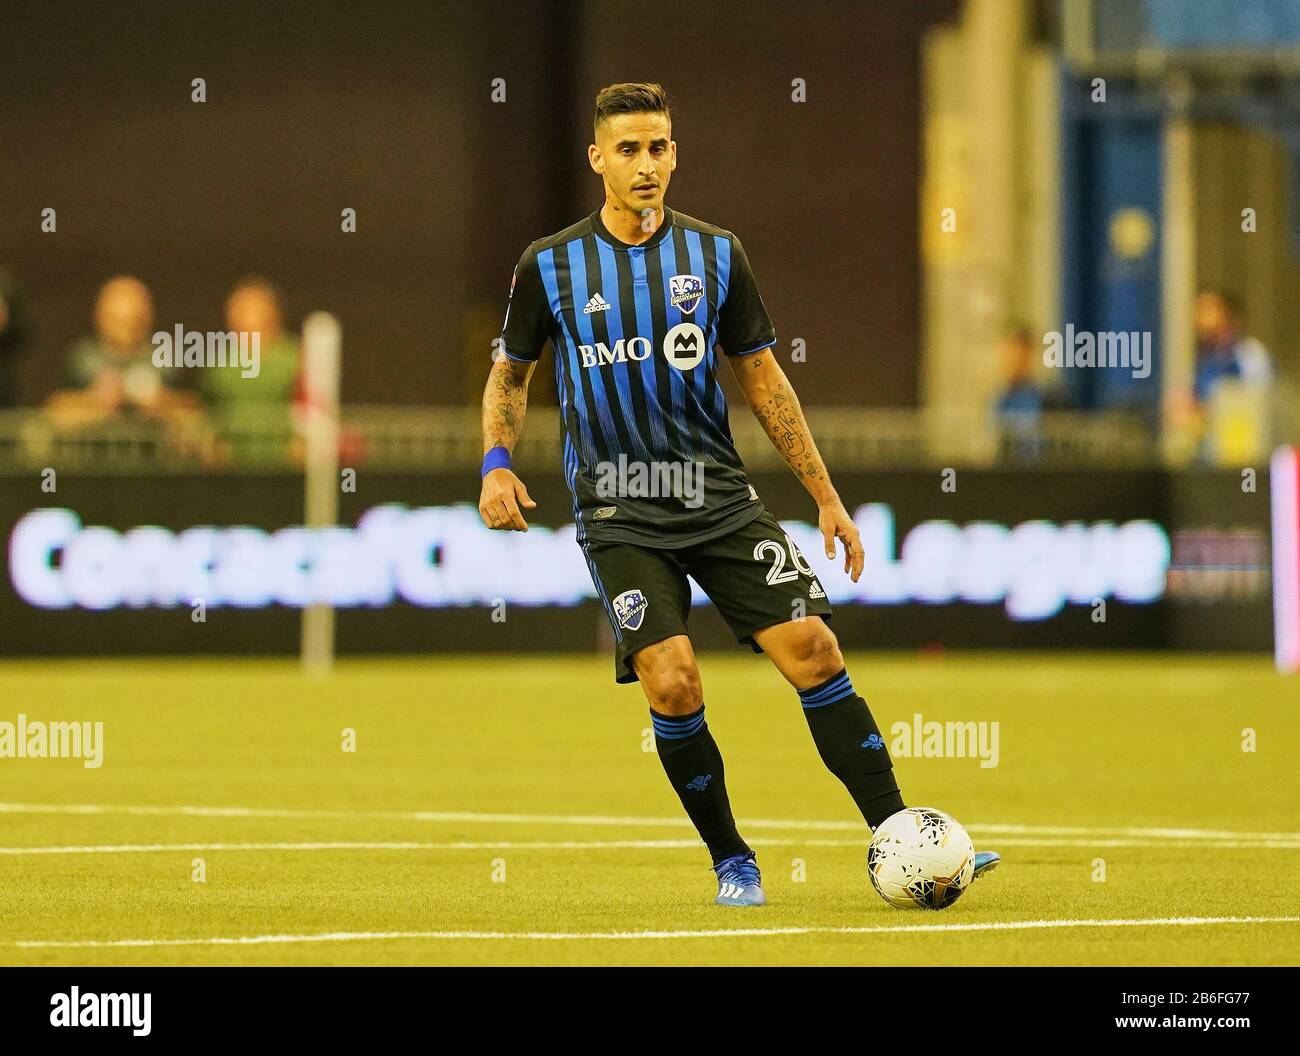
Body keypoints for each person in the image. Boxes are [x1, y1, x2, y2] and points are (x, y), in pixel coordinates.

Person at [477, 82, 999, 907]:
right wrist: (496, 461)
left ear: (675, 154)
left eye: (658, 148)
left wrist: (825, 496)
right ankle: (733, 860)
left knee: (816, 652)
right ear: (597, 160)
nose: (645, 165)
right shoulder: (550, 264)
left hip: (719, 500)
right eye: (627, 150)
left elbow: (764, 379)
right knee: (675, 680)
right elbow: (512, 372)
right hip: (618, 509)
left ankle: (902, 834)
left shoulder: (718, 255)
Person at [45, 275, 194, 427]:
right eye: (118, 321)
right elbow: (55, 408)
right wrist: (94, 400)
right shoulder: (82, 358)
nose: (126, 331)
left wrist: (162, 402)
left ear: (148, 317)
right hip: (96, 445)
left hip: (154, 446)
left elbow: (194, 409)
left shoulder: (168, 358)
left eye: (134, 321)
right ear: (99, 317)